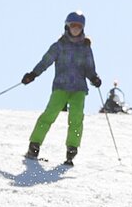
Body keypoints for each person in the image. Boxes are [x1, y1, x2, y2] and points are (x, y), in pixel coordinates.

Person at [20, 11, 101, 164]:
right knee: (49, 115)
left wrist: (94, 78)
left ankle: (71, 150)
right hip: (61, 87)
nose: (75, 29)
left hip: (78, 89)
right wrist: (33, 74)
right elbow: (45, 62)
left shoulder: (85, 48)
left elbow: (89, 68)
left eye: (79, 26)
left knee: (76, 118)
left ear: (82, 28)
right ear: (67, 26)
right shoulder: (59, 46)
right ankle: (34, 146)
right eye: (73, 26)